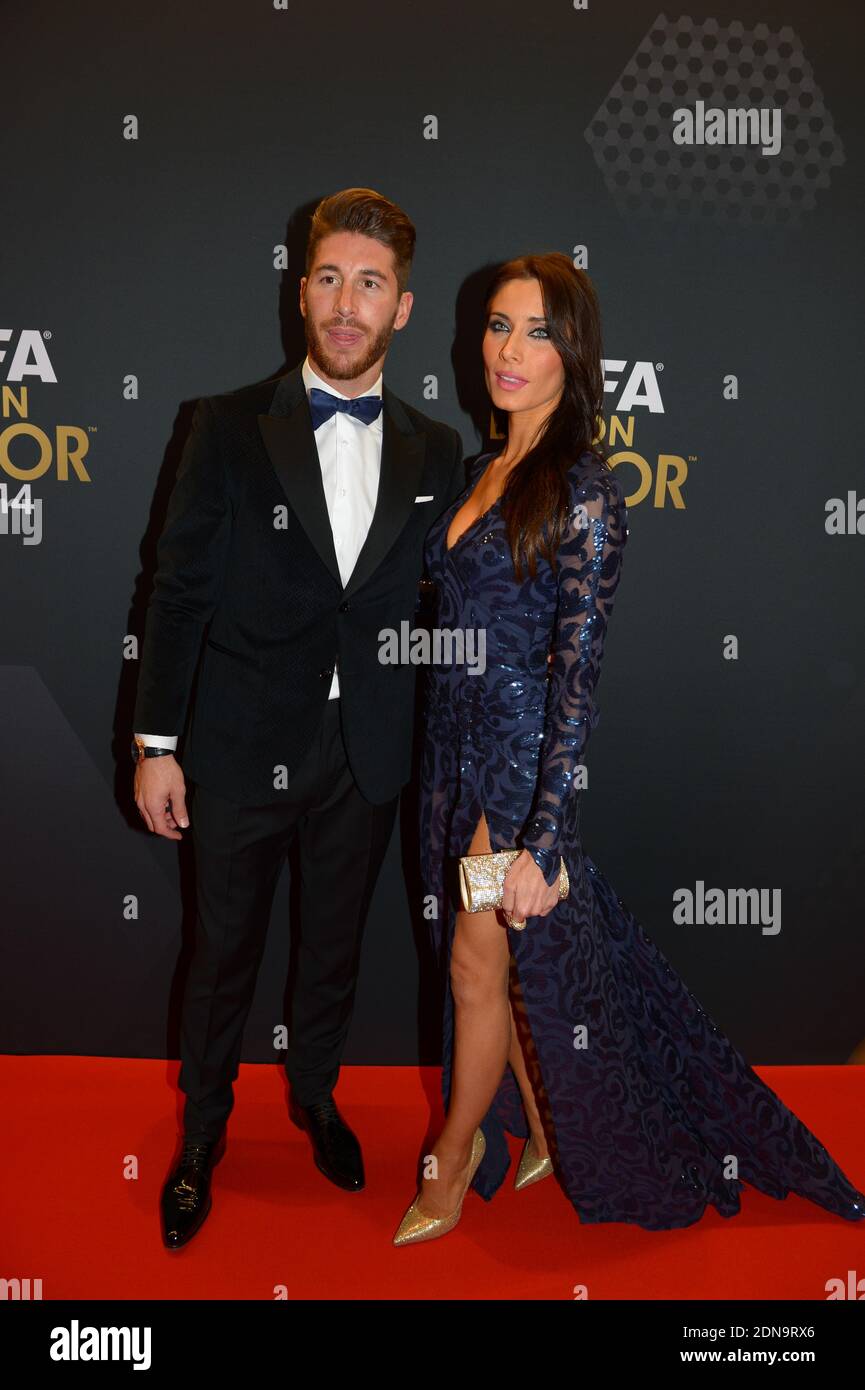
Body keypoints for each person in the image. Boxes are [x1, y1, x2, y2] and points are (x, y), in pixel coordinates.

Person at [393, 251, 865, 1242]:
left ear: (573, 354)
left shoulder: (587, 494)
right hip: (444, 755)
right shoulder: (484, 470)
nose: (509, 350)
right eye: (496, 325)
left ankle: (452, 1156)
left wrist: (544, 837)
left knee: (478, 975)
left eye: (535, 331)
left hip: (512, 772)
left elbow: (577, 679)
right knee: (496, 972)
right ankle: (534, 1133)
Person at [132, 187, 466, 1249]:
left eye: (369, 282)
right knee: (221, 950)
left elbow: (437, 604)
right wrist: (156, 744)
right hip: (234, 744)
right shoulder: (224, 426)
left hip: (363, 752)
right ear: (300, 287)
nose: (345, 301)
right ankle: (202, 1139)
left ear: (401, 309)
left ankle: (315, 1099)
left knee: (332, 949)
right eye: (328, 277)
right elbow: (174, 591)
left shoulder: (437, 448)